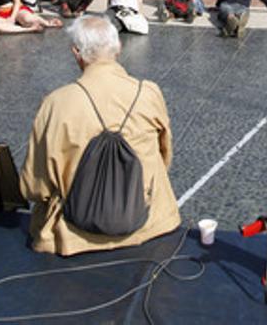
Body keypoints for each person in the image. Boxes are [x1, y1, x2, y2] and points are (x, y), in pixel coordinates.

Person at [19, 16, 180, 255]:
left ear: (77, 52)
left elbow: (34, 186)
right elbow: (165, 156)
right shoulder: (148, 92)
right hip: (151, 224)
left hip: (74, 234)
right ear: (118, 48)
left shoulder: (56, 103)